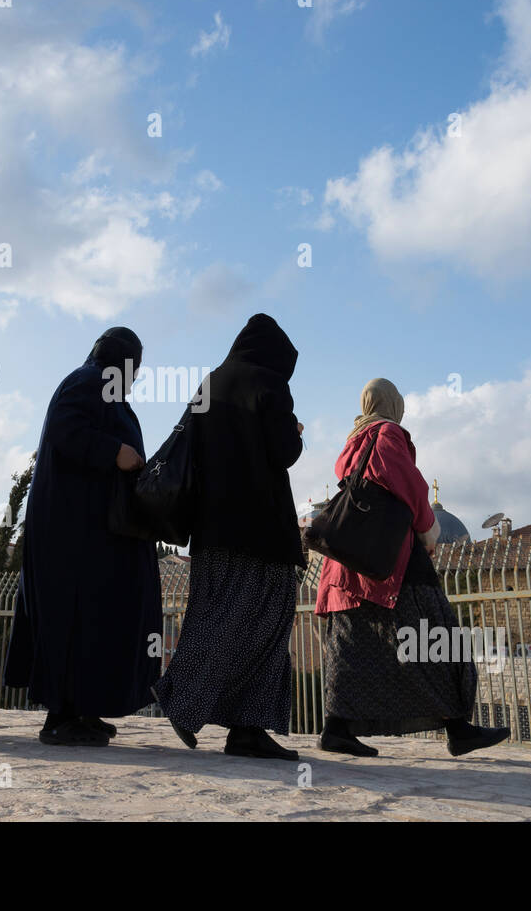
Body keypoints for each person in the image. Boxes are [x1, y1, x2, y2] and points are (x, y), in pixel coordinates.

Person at [314, 378, 509, 757]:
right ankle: (458, 728)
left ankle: (336, 728)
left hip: (349, 567)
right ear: (392, 404)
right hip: (390, 564)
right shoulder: (387, 432)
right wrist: (428, 532)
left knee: (352, 647)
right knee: (438, 636)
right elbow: (412, 489)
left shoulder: (352, 441)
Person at [151, 313, 305, 761]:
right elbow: (284, 451)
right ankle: (234, 722)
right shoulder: (271, 384)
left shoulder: (210, 384)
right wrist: (294, 433)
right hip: (262, 531)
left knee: (213, 618)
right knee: (267, 628)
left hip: (212, 529)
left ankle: (211, 711)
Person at [3, 327, 163, 747]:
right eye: (136, 367)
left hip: (91, 534)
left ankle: (85, 710)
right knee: (71, 623)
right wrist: (115, 452)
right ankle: (60, 717)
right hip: (73, 537)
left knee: (93, 623)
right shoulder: (87, 381)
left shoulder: (100, 384)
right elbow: (65, 429)